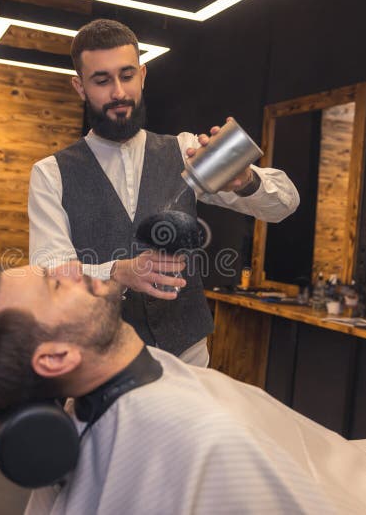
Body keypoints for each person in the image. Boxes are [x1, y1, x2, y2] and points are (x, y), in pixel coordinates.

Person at [0, 263, 366, 515]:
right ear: (58, 356)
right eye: (51, 284)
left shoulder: (113, 391)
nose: (67, 269)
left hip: (350, 466)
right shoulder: (199, 436)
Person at [28, 19, 300, 367]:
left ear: (142, 74)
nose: (118, 93)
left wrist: (245, 180)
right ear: (80, 87)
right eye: (101, 80)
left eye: (127, 76)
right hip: (97, 358)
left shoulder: (185, 151)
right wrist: (117, 271)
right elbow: (48, 270)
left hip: (186, 354)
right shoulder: (51, 174)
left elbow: (285, 204)